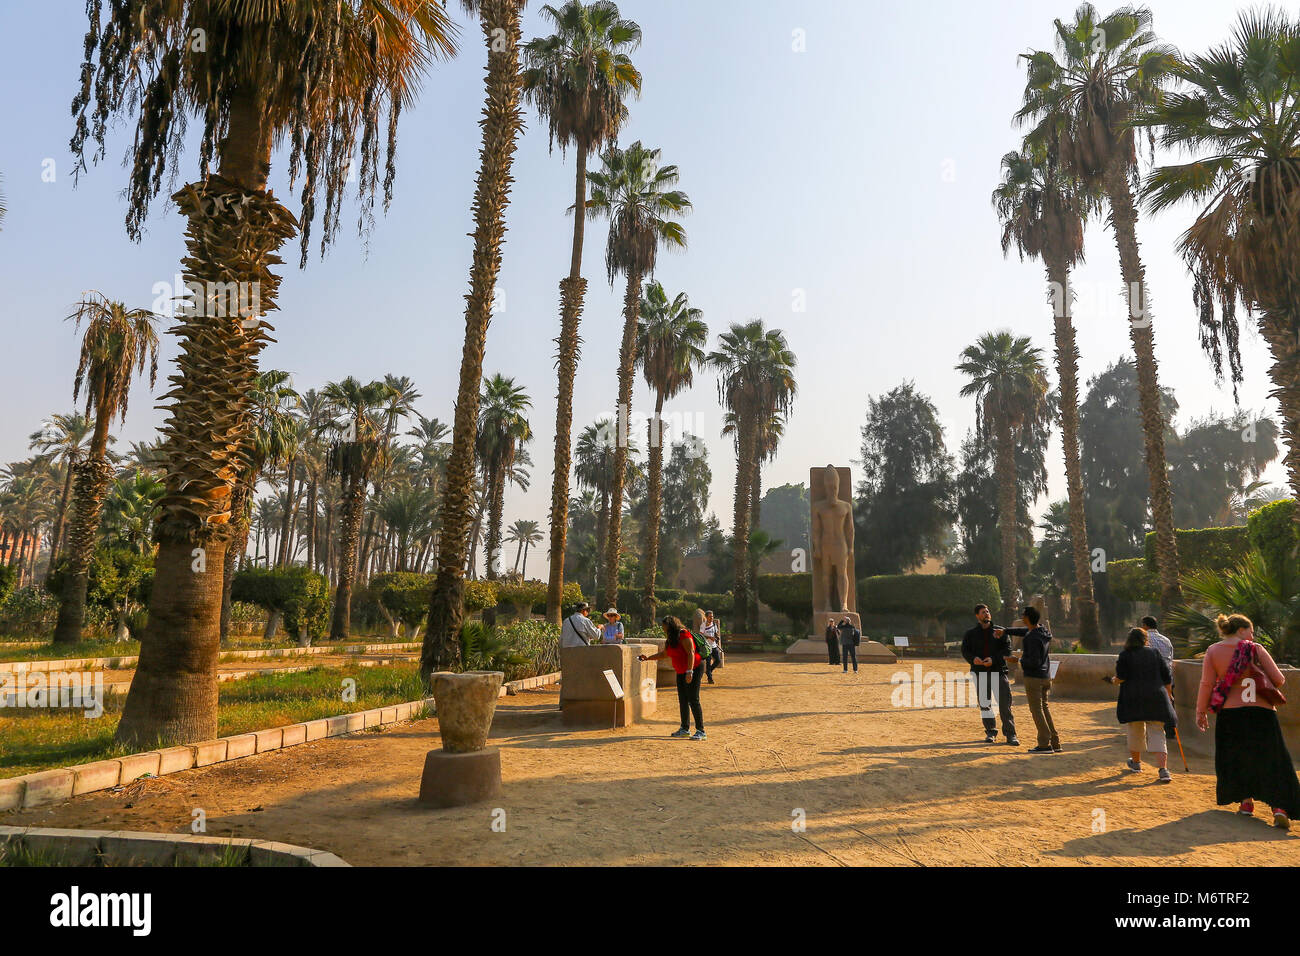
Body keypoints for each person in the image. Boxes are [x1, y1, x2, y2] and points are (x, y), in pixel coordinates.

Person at [1195, 613, 1300, 829]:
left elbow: (1206, 683)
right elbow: (1279, 680)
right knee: (1272, 759)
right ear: (1241, 630)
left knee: (1237, 756)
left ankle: (1246, 803)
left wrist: (1200, 711)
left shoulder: (1214, 650)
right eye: (1251, 631)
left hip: (1231, 713)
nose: (1252, 636)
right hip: (1262, 712)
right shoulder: (1255, 649)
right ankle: (1279, 807)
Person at [1109, 627, 1176, 783]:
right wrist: (1169, 694)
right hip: (1156, 697)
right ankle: (1163, 770)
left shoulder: (1125, 655)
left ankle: (1136, 763)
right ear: (1146, 639)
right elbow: (1166, 676)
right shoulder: (1155, 653)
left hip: (1133, 698)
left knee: (1135, 731)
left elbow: (1121, 677)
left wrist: (1113, 680)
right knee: (1158, 732)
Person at [1001, 606, 1059, 754]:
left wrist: (1017, 660)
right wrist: (1006, 631)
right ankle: (1055, 741)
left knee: (1036, 710)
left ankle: (1044, 744)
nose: (1021, 618)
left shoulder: (1032, 638)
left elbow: (1033, 661)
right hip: (1046, 677)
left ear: (1026, 618)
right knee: (1044, 708)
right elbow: (1024, 631)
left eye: (1023, 616)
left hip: (1034, 677)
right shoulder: (1042, 631)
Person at [638, 616, 706, 740]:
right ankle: (685, 729)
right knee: (683, 700)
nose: (663, 628)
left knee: (693, 699)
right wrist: (648, 658)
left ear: (671, 625)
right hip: (680, 671)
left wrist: (690, 672)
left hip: (694, 668)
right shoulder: (671, 639)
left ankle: (701, 731)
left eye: (665, 626)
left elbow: (691, 652)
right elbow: (664, 654)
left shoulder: (683, 634)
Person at [960, 604, 1019, 745]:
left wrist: (993, 660)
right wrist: (973, 659)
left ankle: (1011, 734)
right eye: (983, 612)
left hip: (998, 672)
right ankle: (991, 732)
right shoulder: (970, 634)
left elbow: (1007, 650)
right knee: (985, 705)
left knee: (1005, 704)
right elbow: (965, 650)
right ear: (977, 616)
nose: (986, 614)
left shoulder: (1000, 632)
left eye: (987, 611)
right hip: (980, 673)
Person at [1141, 615, 1177, 741]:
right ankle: (1171, 732)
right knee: (1168, 704)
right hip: (1168, 678)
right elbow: (1171, 660)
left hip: (1151, 679)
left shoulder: (1144, 639)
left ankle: (1151, 733)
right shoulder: (1166, 640)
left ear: (1145, 625)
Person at [699, 611, 722, 683]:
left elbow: (716, 633)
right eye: (710, 616)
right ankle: (710, 678)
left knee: (718, 660)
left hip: (714, 646)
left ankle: (709, 671)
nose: (712, 618)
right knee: (708, 662)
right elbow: (701, 635)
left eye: (712, 616)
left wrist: (717, 637)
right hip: (706, 647)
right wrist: (709, 637)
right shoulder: (703, 625)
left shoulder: (714, 624)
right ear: (706, 617)